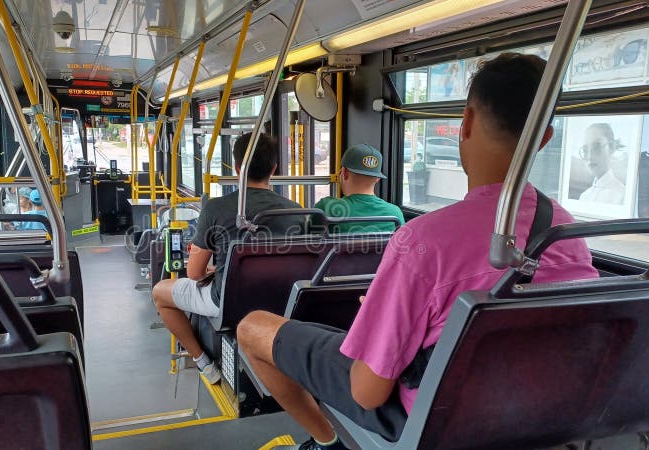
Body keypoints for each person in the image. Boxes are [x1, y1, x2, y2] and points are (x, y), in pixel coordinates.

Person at [236, 53, 600, 450]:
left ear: (467, 123)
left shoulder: (423, 240)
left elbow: (367, 392)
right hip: (535, 414)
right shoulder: (569, 235)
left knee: (253, 326)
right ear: (545, 138)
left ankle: (327, 443)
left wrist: (379, 323)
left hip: (433, 423)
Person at [152, 133, 304, 384]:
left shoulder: (215, 208)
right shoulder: (297, 211)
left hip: (228, 302)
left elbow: (194, 273)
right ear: (274, 169)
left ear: (236, 168)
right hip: (283, 299)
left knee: (160, 293)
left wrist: (216, 269)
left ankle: (204, 364)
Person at [314, 144, 404, 233]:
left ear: (344, 173)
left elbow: (308, 243)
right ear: (378, 178)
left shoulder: (325, 208)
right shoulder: (395, 214)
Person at [577, 123, 625, 205]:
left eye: (597, 146)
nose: (589, 156)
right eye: (585, 150)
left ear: (612, 148)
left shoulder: (622, 195)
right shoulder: (584, 196)